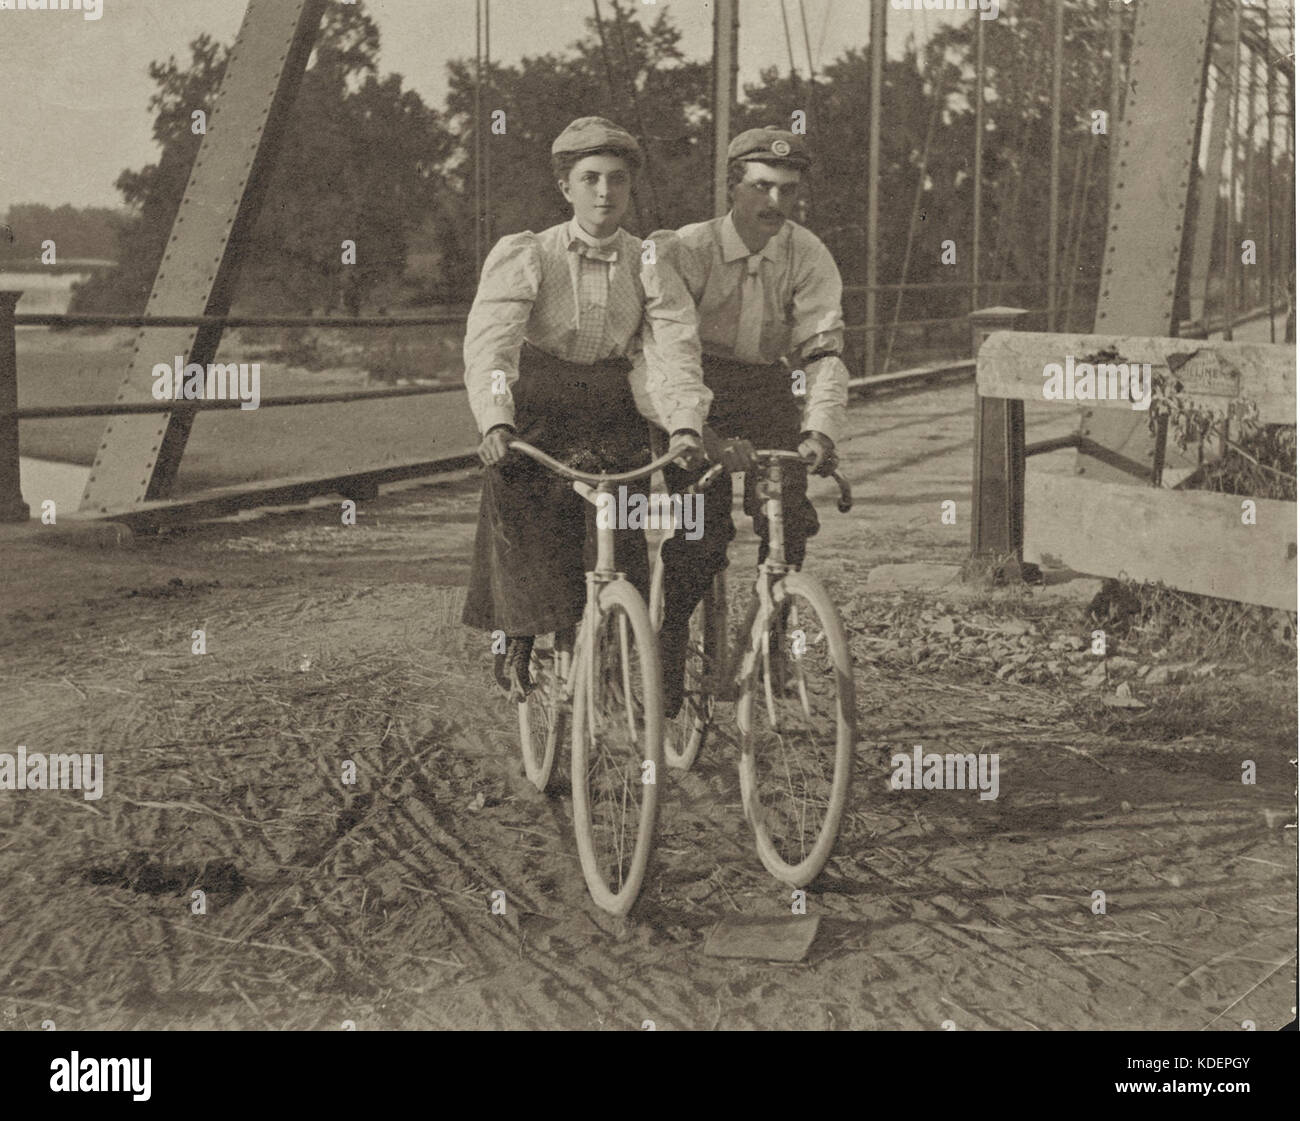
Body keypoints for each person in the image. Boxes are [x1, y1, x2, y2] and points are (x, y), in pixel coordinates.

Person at [461, 116, 710, 700]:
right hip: (540, 400)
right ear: (565, 188)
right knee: (521, 502)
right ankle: (521, 633)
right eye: (591, 178)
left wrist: (684, 426)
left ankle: (618, 648)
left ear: (630, 188)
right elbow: (493, 344)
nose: (605, 192)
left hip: (609, 402)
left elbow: (672, 348)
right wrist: (497, 418)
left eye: (618, 180)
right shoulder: (529, 254)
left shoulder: (648, 261)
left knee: (621, 528)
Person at [635, 125, 850, 718]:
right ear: (733, 187)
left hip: (763, 385)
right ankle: (667, 660)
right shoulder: (687, 247)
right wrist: (694, 430)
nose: (775, 203)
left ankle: (769, 634)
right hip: (692, 386)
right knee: (702, 540)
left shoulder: (808, 255)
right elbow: (671, 350)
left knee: (790, 520)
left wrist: (820, 429)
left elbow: (823, 351)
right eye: (761, 187)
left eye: (787, 190)